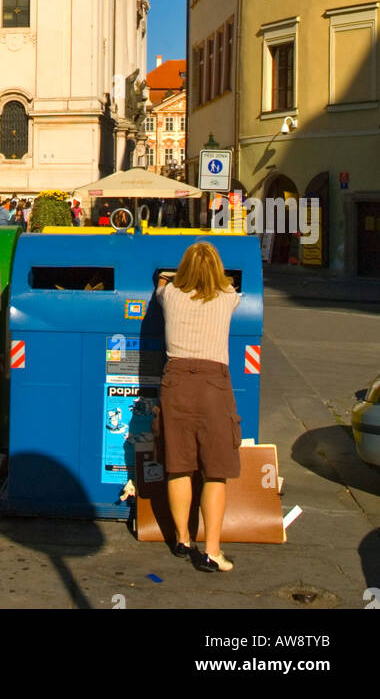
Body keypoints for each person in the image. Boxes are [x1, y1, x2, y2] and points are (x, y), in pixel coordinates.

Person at [155, 241, 243, 573]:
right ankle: (212, 551)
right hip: (212, 384)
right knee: (215, 469)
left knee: (178, 464)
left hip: (175, 381)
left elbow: (161, 283)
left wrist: (168, 275)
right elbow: (233, 286)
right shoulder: (227, 298)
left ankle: (182, 540)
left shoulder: (171, 296)